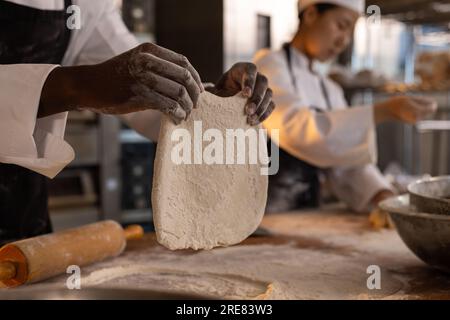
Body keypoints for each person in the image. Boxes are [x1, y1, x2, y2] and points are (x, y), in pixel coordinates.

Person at [0, 0, 275, 243]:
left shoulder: (86, 4)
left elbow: (142, 90)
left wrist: (215, 105)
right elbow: (96, 84)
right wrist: (77, 86)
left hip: (24, 223)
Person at [254, 0, 437, 223]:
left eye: (351, 31)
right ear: (311, 14)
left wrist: (381, 194)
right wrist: (381, 112)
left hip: (307, 217)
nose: (344, 41)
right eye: (341, 25)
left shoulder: (330, 89)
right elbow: (295, 129)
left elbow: (343, 159)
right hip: (264, 216)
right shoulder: (269, 66)